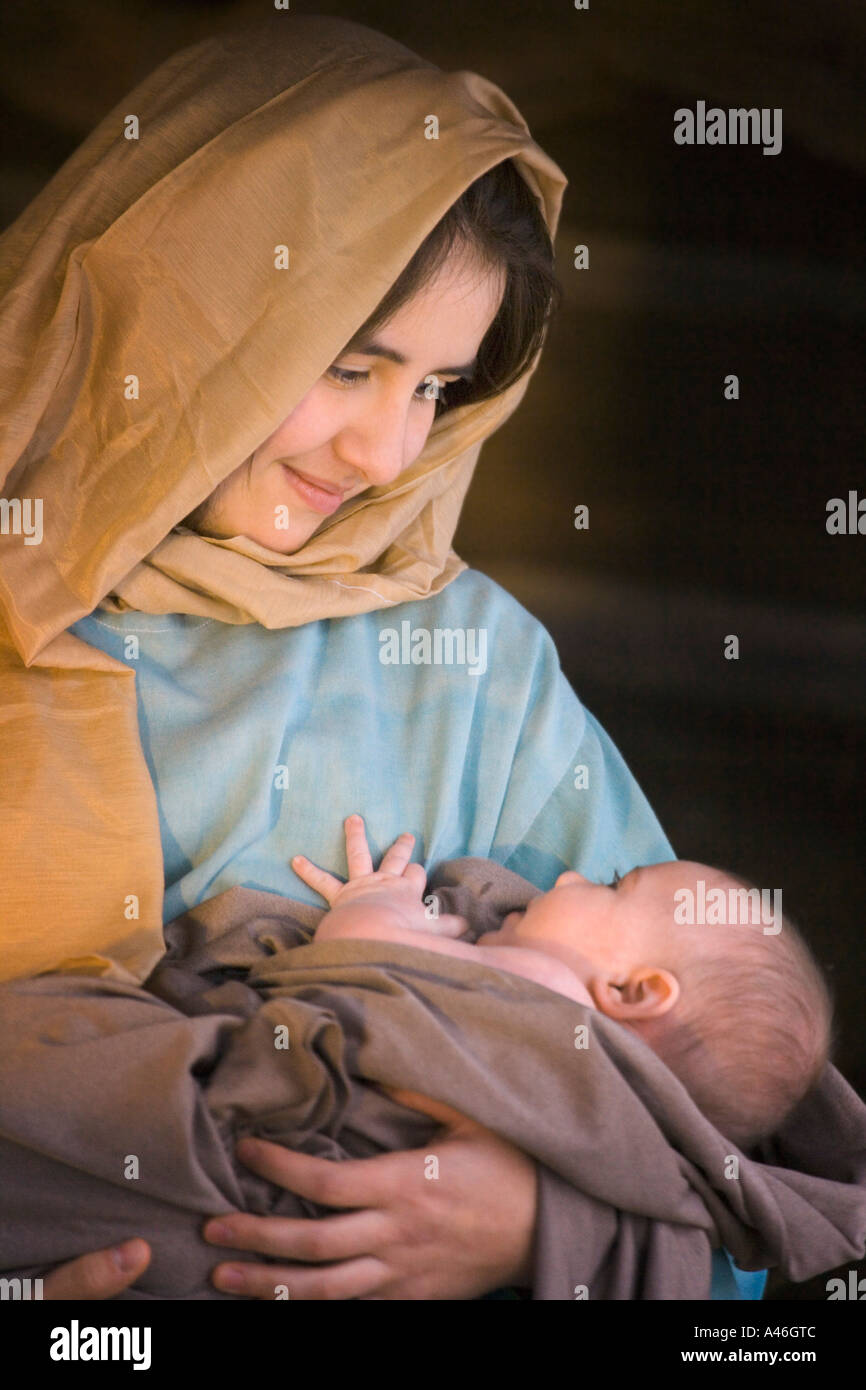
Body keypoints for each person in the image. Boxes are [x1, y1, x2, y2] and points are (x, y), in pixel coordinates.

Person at [0, 13, 764, 1299]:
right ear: (178, 303)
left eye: (434, 389)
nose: (386, 455)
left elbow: (725, 1158)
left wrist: (538, 1230)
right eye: (351, 365)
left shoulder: (469, 670)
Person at [295, 815, 833, 1150]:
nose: (570, 876)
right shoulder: (605, 1132)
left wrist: (375, 900)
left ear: (630, 992)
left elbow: (353, 949)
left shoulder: (556, 998)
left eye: (614, 887)